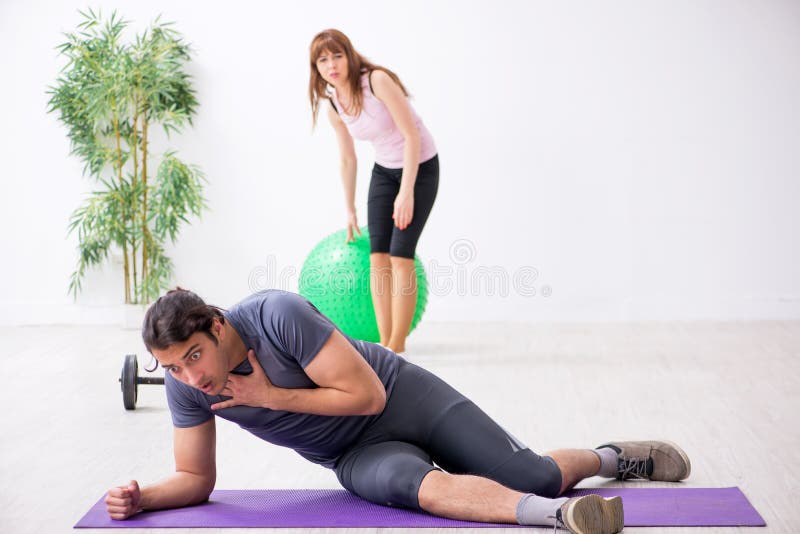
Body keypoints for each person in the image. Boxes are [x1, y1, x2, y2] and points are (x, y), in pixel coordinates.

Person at [105, 288, 691, 534]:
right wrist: (144, 497)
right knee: (418, 488)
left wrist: (270, 397)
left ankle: (612, 457)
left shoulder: (276, 314)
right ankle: (564, 517)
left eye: (194, 356)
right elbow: (195, 477)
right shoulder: (188, 387)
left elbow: (369, 398)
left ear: (216, 325)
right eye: (174, 368)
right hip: (355, 452)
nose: (192, 377)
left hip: (404, 397)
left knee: (532, 472)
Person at [308, 29, 439, 353]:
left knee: (400, 257)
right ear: (316, 68)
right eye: (323, 60)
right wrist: (349, 208)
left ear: (350, 56)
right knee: (378, 256)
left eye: (337, 55)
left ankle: (397, 347)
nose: (331, 65)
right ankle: (385, 344)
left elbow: (411, 135)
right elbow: (348, 158)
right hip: (384, 171)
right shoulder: (334, 106)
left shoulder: (377, 81)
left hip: (419, 166)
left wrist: (406, 192)